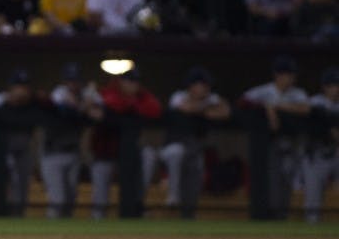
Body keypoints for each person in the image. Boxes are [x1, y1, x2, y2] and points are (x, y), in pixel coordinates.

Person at [240, 55, 310, 219]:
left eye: (292, 75)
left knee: (287, 179)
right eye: (286, 74)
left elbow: (306, 109)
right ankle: (268, 213)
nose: (290, 78)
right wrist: (266, 107)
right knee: (269, 179)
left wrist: (276, 107)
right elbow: (243, 102)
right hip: (266, 144)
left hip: (291, 142)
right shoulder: (265, 90)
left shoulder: (298, 93)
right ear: (277, 75)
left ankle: (282, 213)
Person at [157, 67, 231, 218]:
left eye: (207, 86)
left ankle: (188, 213)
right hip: (172, 147)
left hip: (194, 150)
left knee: (195, 177)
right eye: (202, 85)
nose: (205, 89)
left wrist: (205, 107)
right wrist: (206, 109)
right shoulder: (178, 96)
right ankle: (173, 194)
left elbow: (225, 112)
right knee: (176, 152)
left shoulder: (210, 98)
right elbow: (186, 107)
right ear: (191, 85)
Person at [89, 67, 162, 219]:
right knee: (100, 200)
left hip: (128, 154)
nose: (132, 85)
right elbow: (105, 106)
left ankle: (134, 211)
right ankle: (96, 231)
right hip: (105, 152)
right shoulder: (109, 94)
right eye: (129, 81)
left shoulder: (141, 98)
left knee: (145, 160)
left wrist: (129, 107)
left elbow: (155, 109)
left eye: (135, 82)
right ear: (121, 82)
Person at [39, 62, 102, 218]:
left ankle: (65, 237)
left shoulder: (86, 94)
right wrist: (85, 107)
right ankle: (50, 235)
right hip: (52, 154)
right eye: (70, 80)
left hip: (73, 153)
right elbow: (69, 111)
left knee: (70, 197)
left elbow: (100, 114)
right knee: (58, 199)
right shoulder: (59, 94)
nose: (74, 84)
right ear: (65, 81)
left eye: (77, 80)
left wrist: (88, 104)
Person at [0, 68, 39, 217]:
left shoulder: (35, 103)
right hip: (2, 151)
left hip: (22, 150)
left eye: (25, 85)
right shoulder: (0, 100)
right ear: (11, 87)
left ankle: (17, 220)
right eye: (18, 85)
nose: (21, 89)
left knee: (21, 191)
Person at [302, 67, 339, 223]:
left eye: (337, 85)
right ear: (325, 87)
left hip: (336, 153)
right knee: (313, 202)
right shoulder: (315, 102)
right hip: (317, 154)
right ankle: (312, 227)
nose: (336, 89)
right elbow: (309, 111)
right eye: (332, 85)